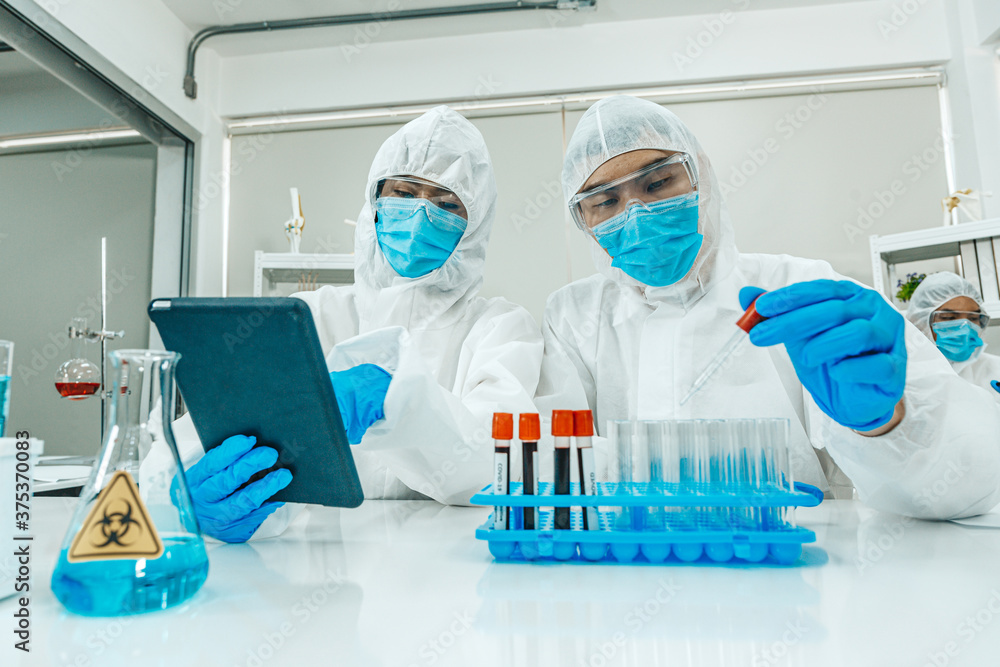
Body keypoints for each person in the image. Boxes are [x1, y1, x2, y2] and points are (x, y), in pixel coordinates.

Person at [536, 95, 1000, 519]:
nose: (635, 211)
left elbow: (975, 483)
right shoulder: (574, 318)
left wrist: (886, 423)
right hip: (624, 571)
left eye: (658, 182)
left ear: (702, 173)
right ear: (583, 220)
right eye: (604, 201)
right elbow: (553, 470)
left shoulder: (804, 289)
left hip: (793, 577)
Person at [178, 106, 543, 541]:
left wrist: (397, 405)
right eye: (404, 194)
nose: (421, 215)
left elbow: (498, 468)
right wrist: (190, 492)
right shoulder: (305, 318)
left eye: (446, 204)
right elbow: (185, 444)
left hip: (449, 575)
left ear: (475, 226)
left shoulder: (501, 329)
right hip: (309, 572)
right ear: (372, 205)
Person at [905, 272, 1000, 401]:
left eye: (973, 318)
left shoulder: (995, 367)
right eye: (948, 317)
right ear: (920, 322)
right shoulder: (906, 377)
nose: (965, 328)